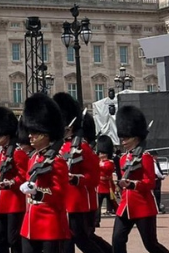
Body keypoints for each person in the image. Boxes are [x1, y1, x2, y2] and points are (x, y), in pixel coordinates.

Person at [53, 93, 110, 253]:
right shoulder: (60, 147)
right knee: (67, 241)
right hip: (63, 201)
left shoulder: (82, 148)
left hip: (79, 203)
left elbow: (94, 178)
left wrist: (76, 179)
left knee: (82, 239)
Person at [111, 105, 169, 253]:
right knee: (117, 240)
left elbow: (150, 183)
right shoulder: (123, 158)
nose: (123, 141)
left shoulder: (146, 157)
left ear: (136, 137)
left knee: (151, 244)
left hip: (143, 207)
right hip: (125, 206)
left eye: (126, 138)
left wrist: (131, 184)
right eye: (122, 138)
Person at [19, 93, 70, 253]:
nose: (30, 136)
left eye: (35, 133)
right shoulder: (33, 158)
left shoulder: (57, 161)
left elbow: (60, 194)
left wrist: (38, 193)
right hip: (30, 220)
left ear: (46, 134)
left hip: (49, 222)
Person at [0, 106, 28, 253]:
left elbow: (24, 176)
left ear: (7, 134)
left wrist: (10, 183)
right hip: (1, 203)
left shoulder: (17, 153)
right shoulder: (2, 154)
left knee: (13, 239)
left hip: (14, 203)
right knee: (0, 238)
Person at [95, 136, 116, 225]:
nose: (101, 155)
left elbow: (106, 169)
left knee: (114, 204)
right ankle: (96, 221)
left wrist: (98, 164)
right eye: (100, 153)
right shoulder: (98, 162)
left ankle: (124, 217)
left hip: (108, 187)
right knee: (97, 206)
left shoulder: (110, 162)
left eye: (103, 153)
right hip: (100, 186)